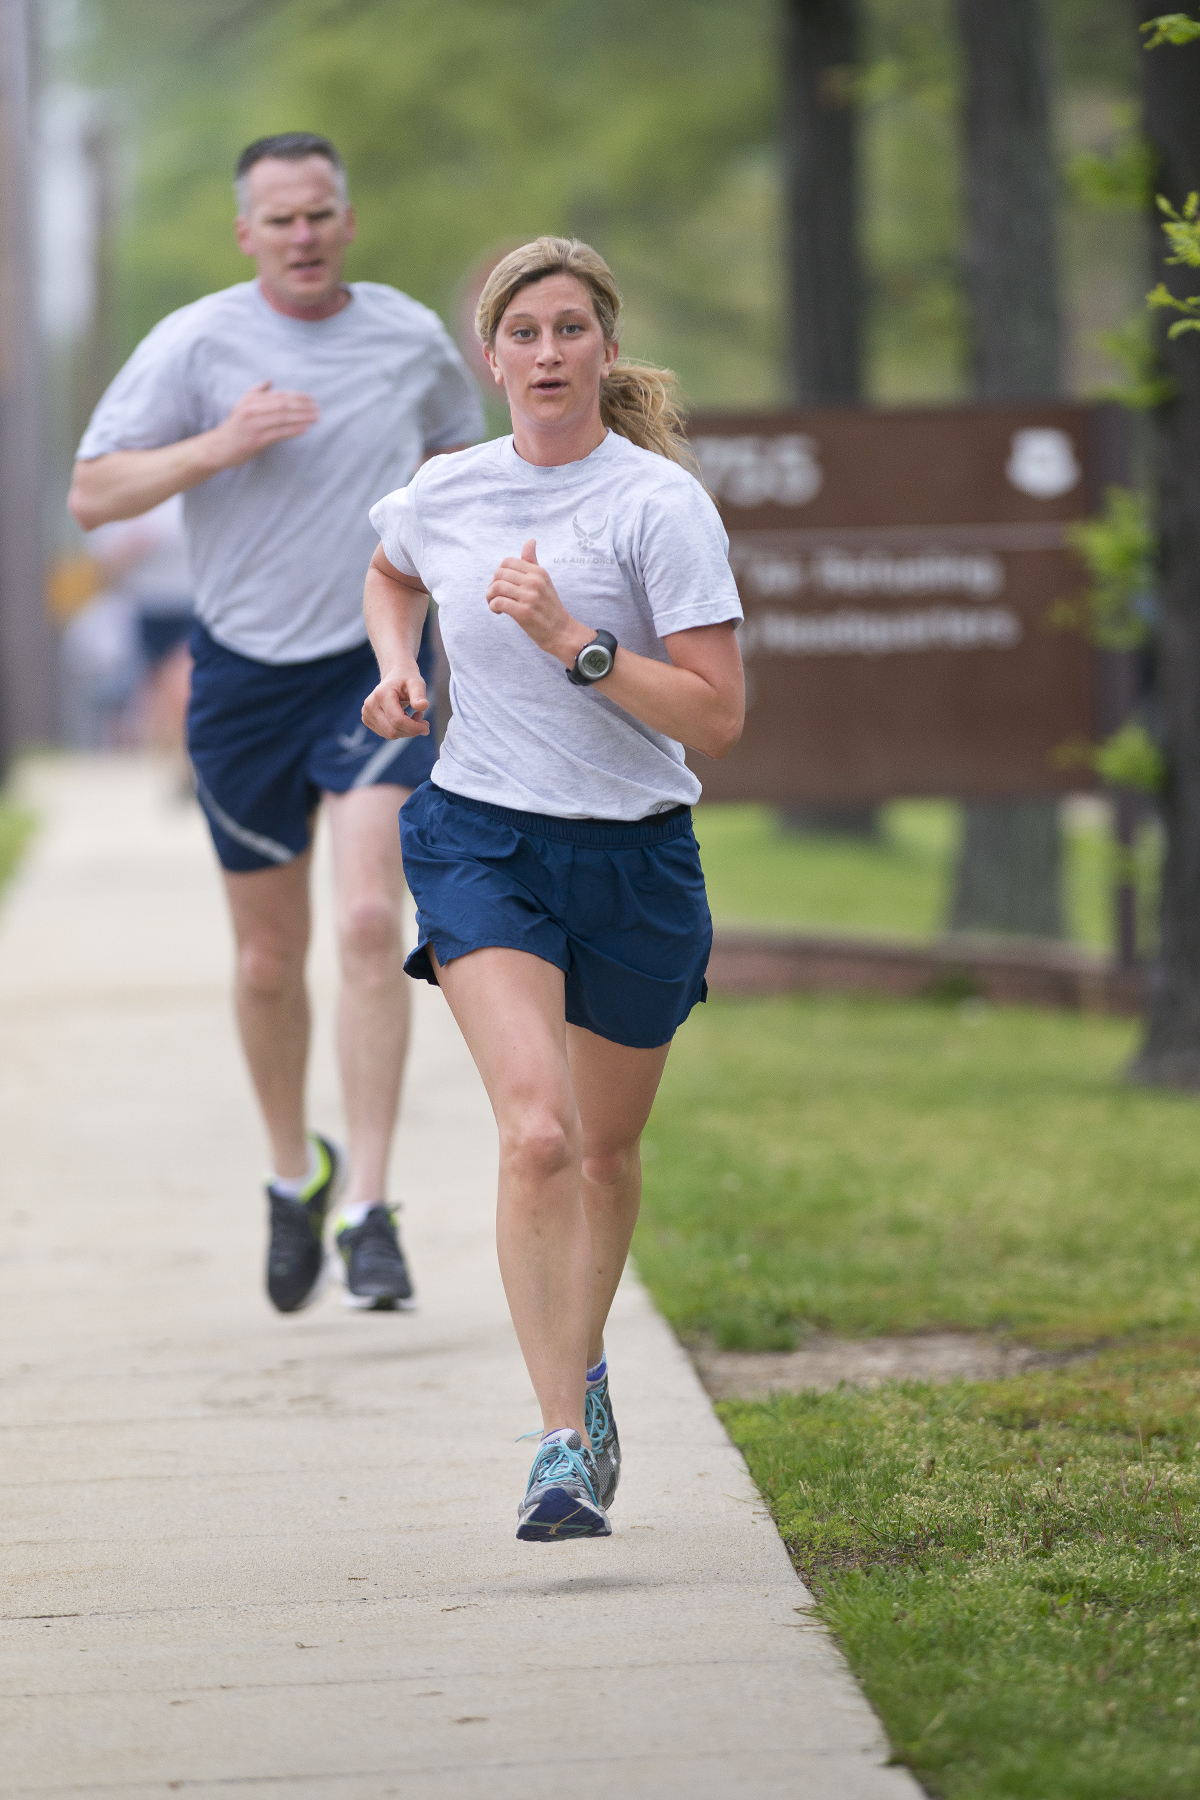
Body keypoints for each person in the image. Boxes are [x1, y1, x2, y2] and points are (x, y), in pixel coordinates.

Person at [361, 237, 745, 1540]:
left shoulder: (658, 507)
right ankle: (558, 1448)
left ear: (604, 350)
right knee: (538, 1134)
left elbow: (718, 714)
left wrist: (572, 643)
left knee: (608, 1150)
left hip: (635, 853)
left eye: (569, 329)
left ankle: (580, 1363)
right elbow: (392, 567)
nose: (545, 353)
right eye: (521, 332)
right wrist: (397, 664)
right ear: (491, 355)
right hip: (480, 838)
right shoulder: (450, 489)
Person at [68, 131, 484, 1314]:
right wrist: (221, 443)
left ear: (348, 221)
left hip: (370, 660)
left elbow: (458, 459)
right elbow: (94, 492)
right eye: (279, 219)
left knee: (365, 920)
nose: (302, 235)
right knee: (264, 959)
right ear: (246, 234)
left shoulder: (405, 336)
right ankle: (294, 1172)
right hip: (242, 678)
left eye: (320, 214)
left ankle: (373, 1210)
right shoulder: (198, 343)